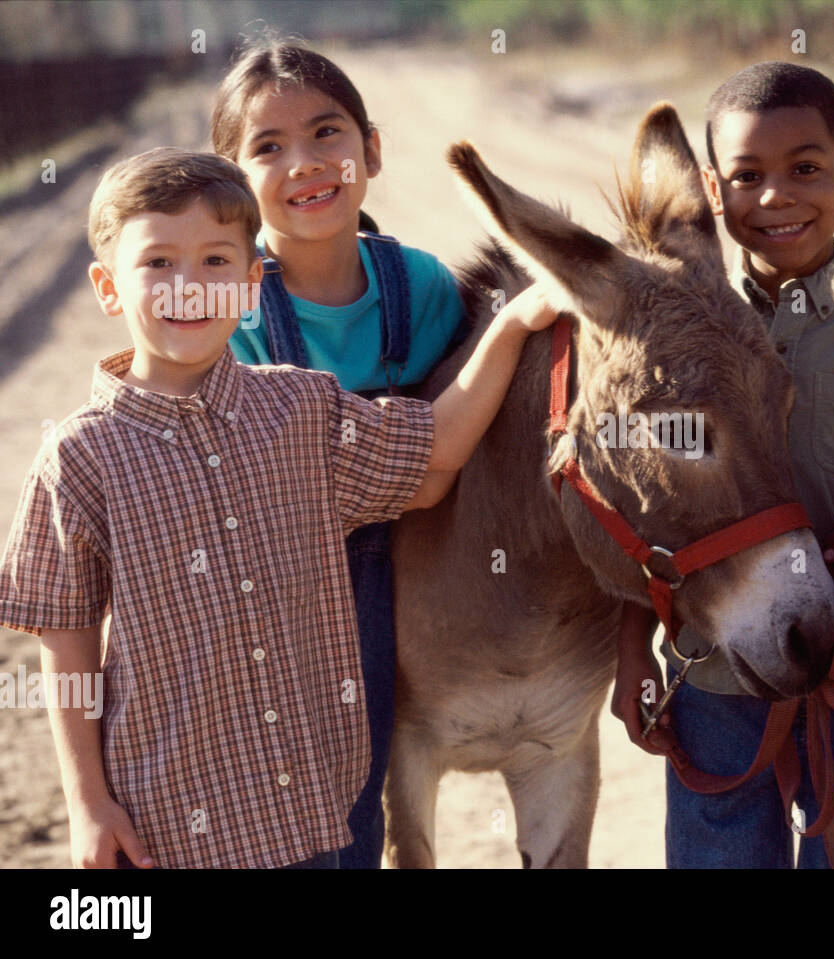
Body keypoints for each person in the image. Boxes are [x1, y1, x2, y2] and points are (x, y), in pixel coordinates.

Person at [0, 148, 556, 868]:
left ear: (251, 283)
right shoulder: (80, 458)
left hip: (308, 809)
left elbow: (437, 450)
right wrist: (88, 804)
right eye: (158, 263)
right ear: (108, 287)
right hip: (165, 826)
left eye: (215, 261)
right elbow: (66, 636)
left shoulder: (302, 408)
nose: (189, 286)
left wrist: (511, 325)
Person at [610, 61, 834, 868]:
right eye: (747, 177)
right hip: (715, 669)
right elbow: (651, 500)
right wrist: (632, 650)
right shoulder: (684, 330)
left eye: (805, 169)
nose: (775, 197)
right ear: (710, 188)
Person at [210, 38, 468, 868]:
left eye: (327, 133)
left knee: (377, 777)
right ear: (232, 185)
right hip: (290, 586)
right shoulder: (228, 313)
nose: (306, 163)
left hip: (423, 573)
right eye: (268, 147)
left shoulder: (423, 288)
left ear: (372, 151)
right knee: (316, 798)